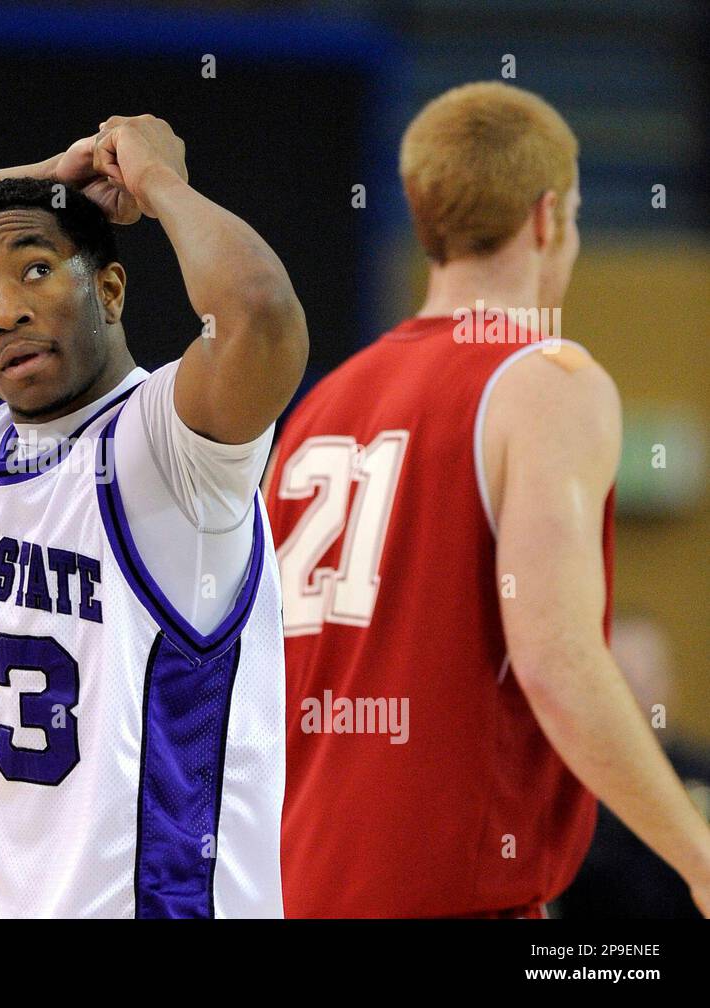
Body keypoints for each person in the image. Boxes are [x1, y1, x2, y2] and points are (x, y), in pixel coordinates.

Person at [265, 81, 710, 917]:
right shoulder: (545, 379)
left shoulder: (321, 407)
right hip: (446, 894)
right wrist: (699, 854)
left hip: (291, 885)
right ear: (549, 218)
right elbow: (557, 660)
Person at [0, 114, 308, 917]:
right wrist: (55, 173)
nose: (1, 313)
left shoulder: (172, 442)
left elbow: (260, 312)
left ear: (109, 288)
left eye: (35, 271)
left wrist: (159, 184)